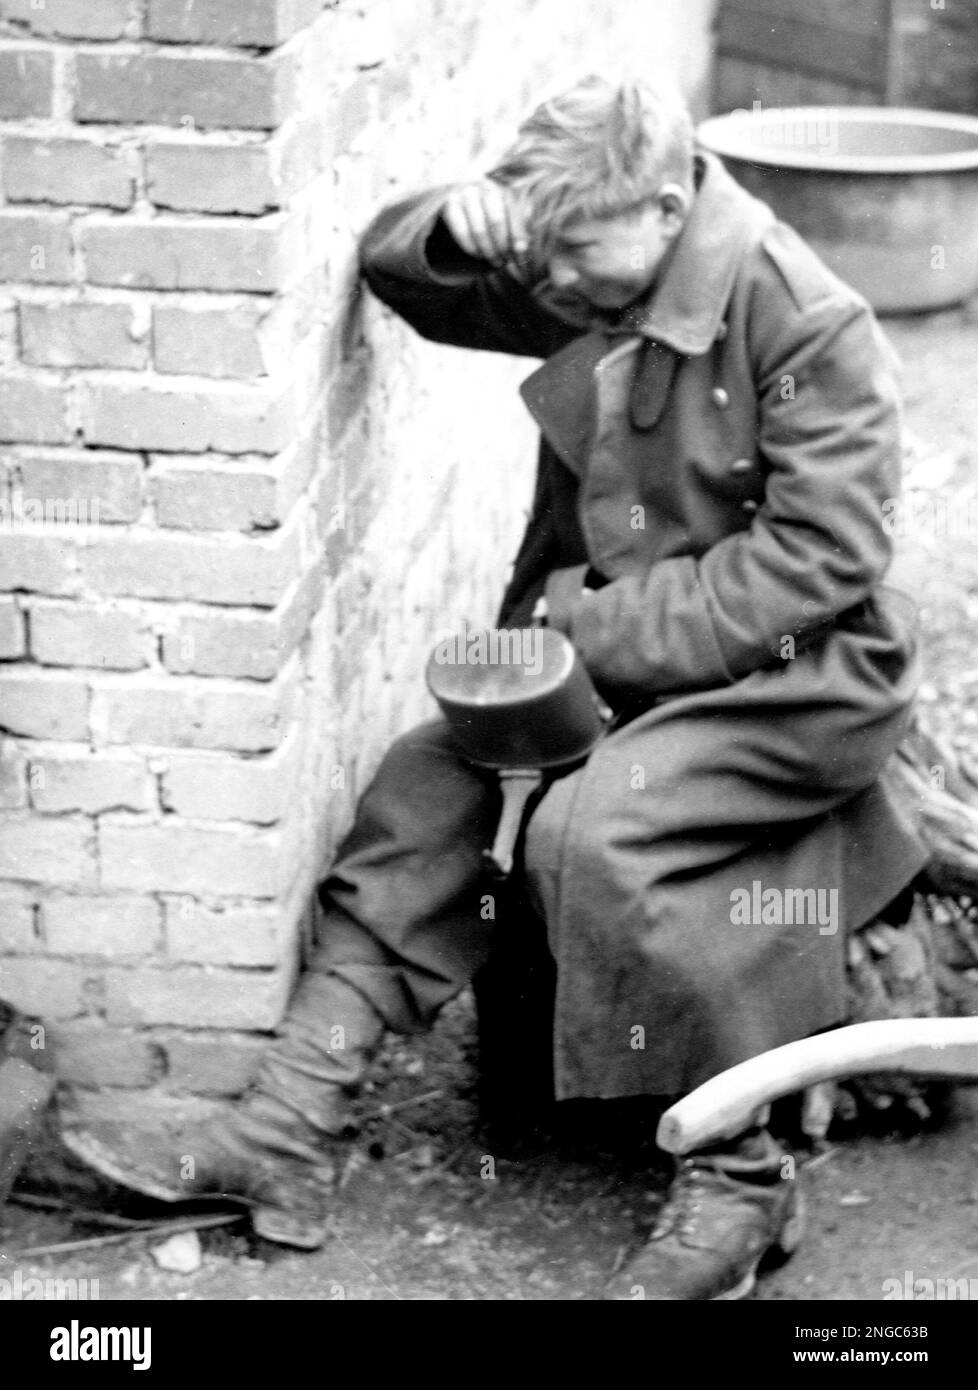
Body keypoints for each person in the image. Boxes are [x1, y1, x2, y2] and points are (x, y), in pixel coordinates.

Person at [63, 74, 928, 1300]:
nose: (553, 282)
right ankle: (287, 1128)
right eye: (543, 251)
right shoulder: (609, 263)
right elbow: (407, 277)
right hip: (626, 656)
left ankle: (745, 1175)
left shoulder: (806, 321)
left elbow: (822, 561)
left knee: (604, 826)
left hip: (796, 677)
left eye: (575, 252)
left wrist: (586, 629)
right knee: (428, 782)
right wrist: (450, 221)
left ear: (667, 207)